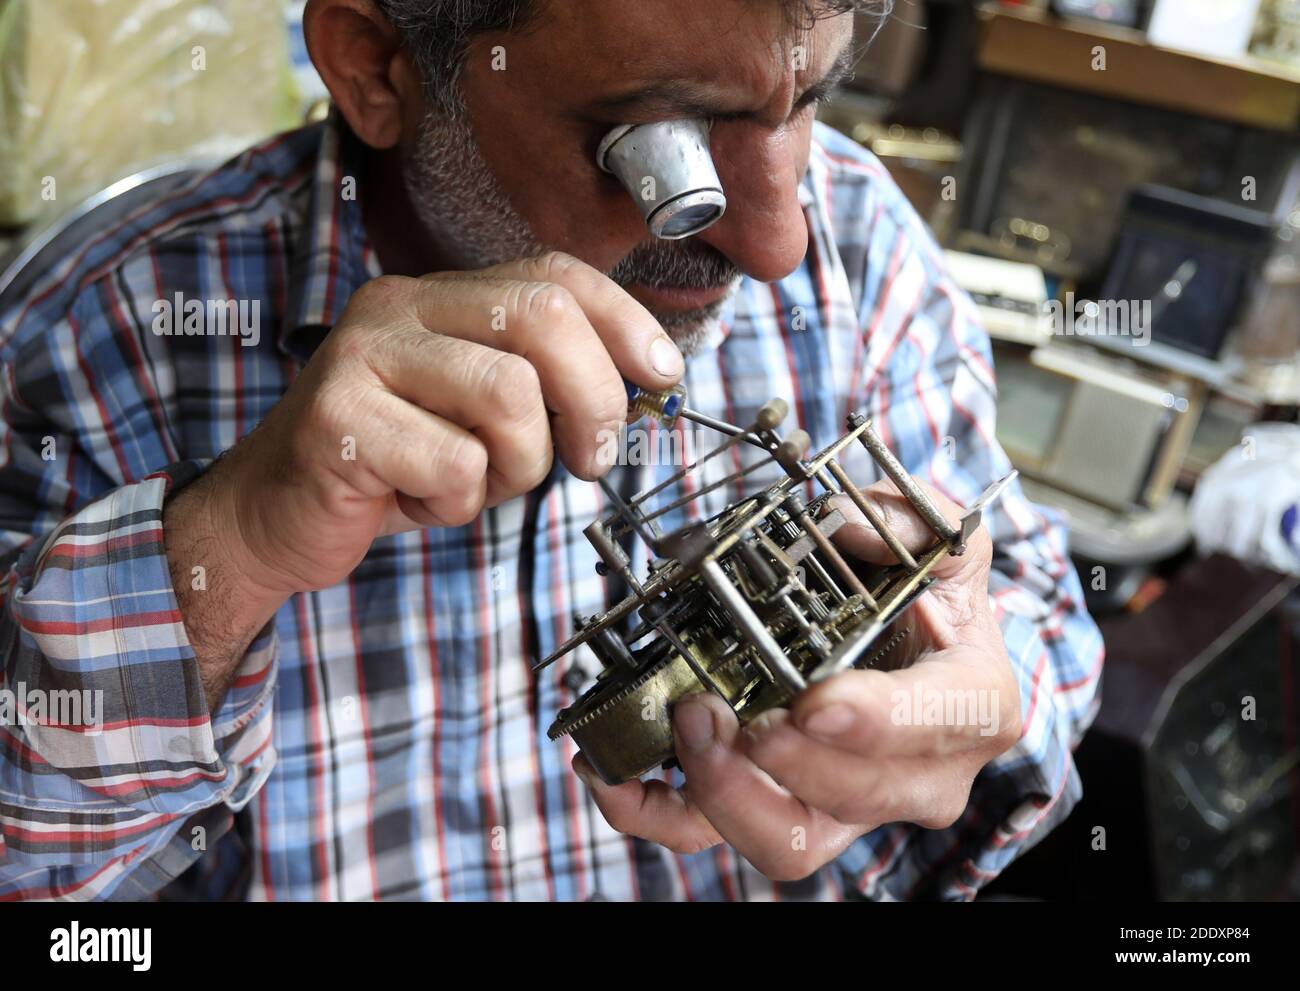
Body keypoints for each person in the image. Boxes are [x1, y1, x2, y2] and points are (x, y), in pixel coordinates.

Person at [0, 0, 1102, 900]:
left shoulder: (857, 241)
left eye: (807, 98)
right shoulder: (92, 343)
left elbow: (1042, 615)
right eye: (659, 146)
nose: (776, 244)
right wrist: (226, 550)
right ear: (378, 68)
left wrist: (965, 695)